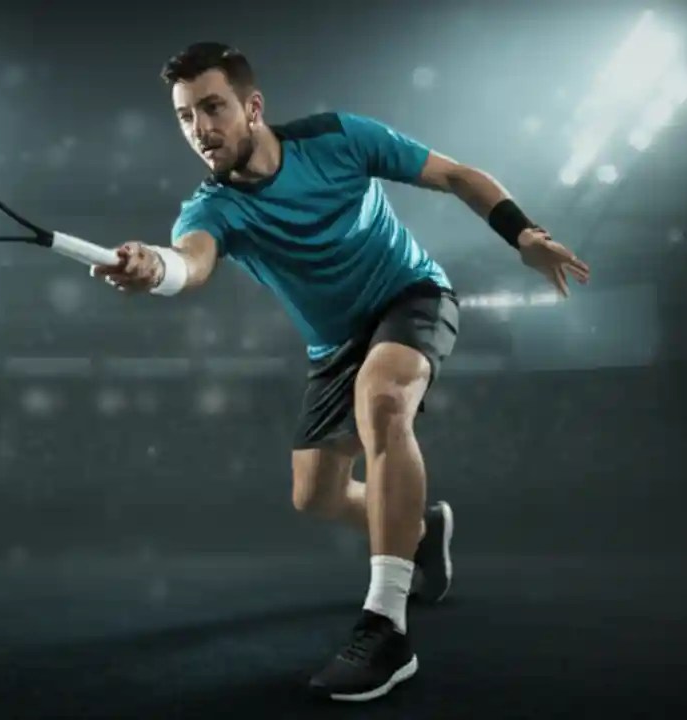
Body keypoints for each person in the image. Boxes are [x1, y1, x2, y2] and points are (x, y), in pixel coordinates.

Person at [92, 42, 590, 703]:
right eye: (185, 117)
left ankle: (387, 626)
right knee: (315, 496)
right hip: (334, 346)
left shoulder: (340, 138)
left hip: (411, 295)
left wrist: (523, 234)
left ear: (252, 106)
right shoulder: (211, 208)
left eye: (212, 107)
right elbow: (190, 261)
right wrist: (154, 267)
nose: (201, 130)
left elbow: (458, 176)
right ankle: (420, 529)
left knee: (382, 400)